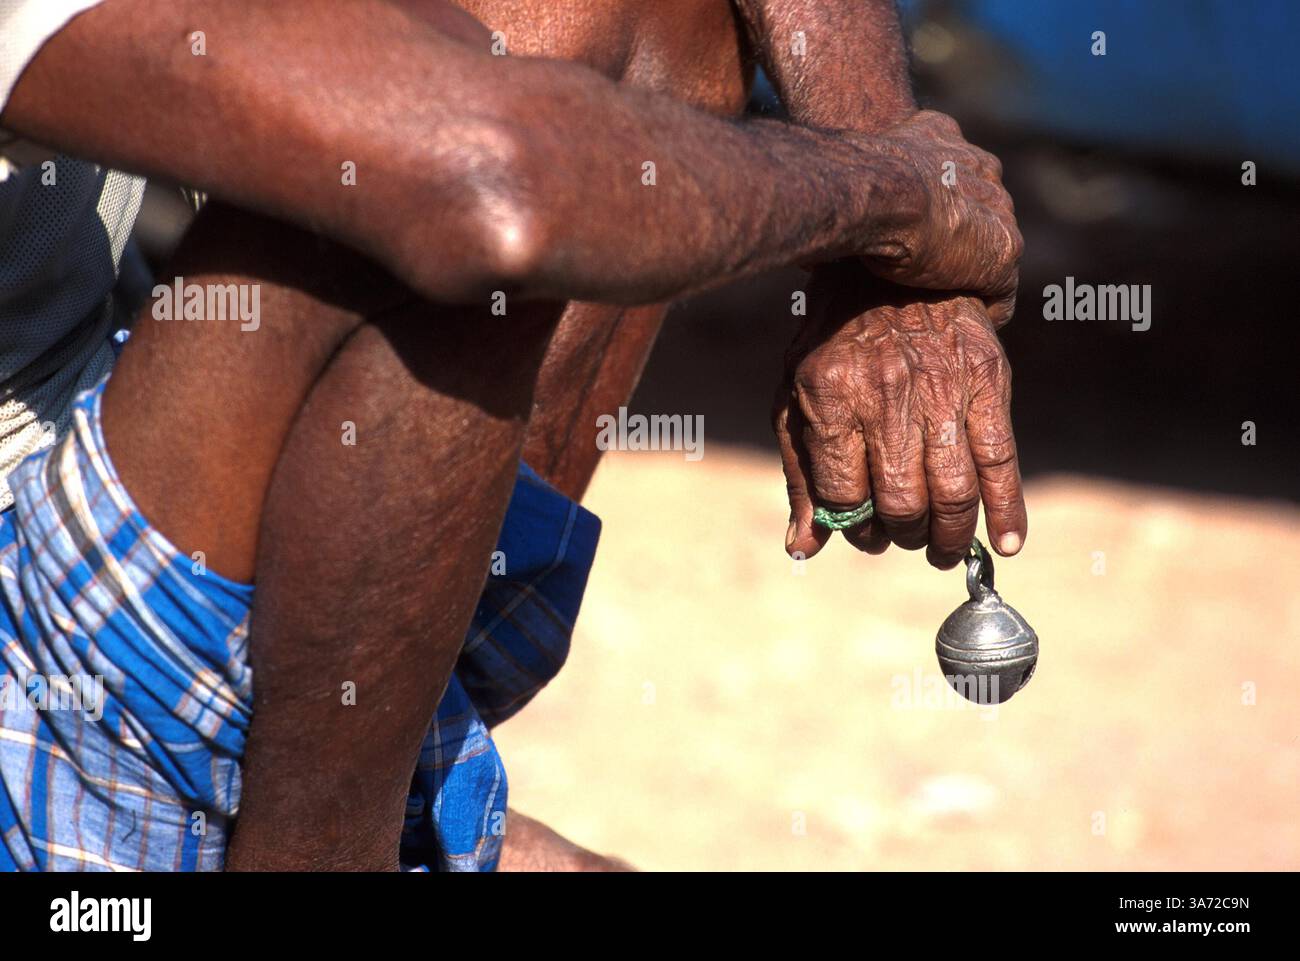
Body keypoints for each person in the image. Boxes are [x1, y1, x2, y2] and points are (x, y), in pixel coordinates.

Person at [0, 0, 1023, 870]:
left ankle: (377, 782)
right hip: (29, 617)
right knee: (439, 159)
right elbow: (497, 184)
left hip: (170, 474)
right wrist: (897, 194)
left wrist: (891, 295)